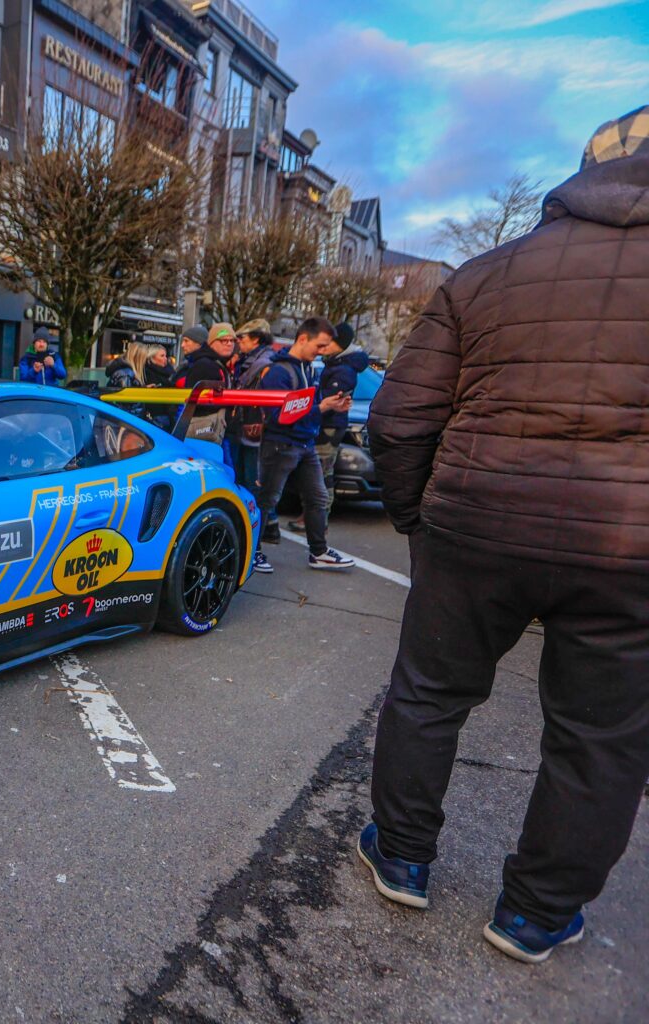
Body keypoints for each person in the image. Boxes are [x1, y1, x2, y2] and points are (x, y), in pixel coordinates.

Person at [359, 107, 649, 964]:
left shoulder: (485, 275)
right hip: (628, 546)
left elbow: (399, 420)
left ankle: (402, 856)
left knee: (429, 693)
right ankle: (535, 912)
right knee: (600, 739)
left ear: (582, 170)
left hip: (477, 520)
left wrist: (418, 521)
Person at [254, 317, 354, 569]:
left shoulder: (308, 369)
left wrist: (331, 407)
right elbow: (279, 416)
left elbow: (306, 408)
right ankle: (251, 553)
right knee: (267, 500)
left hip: (304, 443)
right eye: (319, 345)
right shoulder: (279, 372)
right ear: (302, 339)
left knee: (317, 497)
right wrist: (322, 408)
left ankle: (319, 552)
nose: (322, 351)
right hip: (281, 444)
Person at [289, 322, 369, 532]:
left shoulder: (343, 369)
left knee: (321, 473)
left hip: (329, 425)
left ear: (339, 344)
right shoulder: (337, 364)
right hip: (327, 424)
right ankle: (313, 515)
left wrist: (314, 406)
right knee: (321, 471)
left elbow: (331, 400)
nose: (324, 345)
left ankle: (317, 517)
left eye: (329, 341)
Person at [233, 318, 276, 574]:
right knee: (247, 485)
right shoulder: (248, 362)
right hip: (245, 432)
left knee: (254, 488)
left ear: (256, 339)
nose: (238, 342)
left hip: (255, 435)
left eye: (242, 338)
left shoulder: (264, 364)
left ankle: (255, 548)